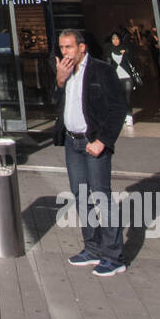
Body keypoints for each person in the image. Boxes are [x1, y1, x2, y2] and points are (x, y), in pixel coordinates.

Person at [53, 28, 128, 276]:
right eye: (62, 47)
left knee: (101, 196)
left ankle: (114, 255)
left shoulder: (101, 70)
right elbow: (56, 103)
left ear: (82, 47)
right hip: (72, 144)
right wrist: (60, 80)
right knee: (80, 194)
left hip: (93, 142)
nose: (64, 52)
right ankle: (93, 247)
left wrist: (103, 141)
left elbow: (117, 108)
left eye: (69, 47)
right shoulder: (64, 71)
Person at [107, 31, 142, 126]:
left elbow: (133, 61)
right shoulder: (110, 50)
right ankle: (123, 115)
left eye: (117, 39)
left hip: (127, 77)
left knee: (127, 98)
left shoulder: (126, 49)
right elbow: (108, 65)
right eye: (113, 39)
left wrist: (126, 53)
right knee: (120, 98)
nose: (115, 41)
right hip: (116, 78)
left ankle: (129, 116)